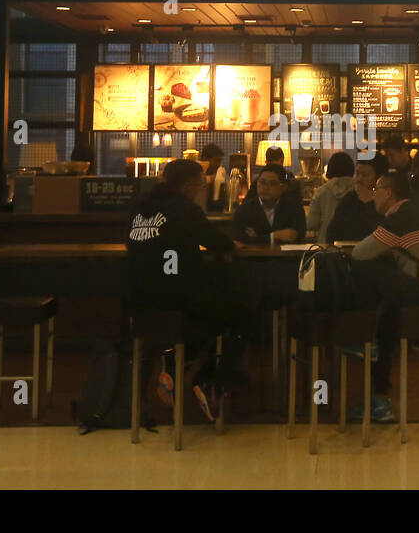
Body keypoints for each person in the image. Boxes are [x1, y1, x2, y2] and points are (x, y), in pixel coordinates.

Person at [125, 159, 243, 420]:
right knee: (238, 315)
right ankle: (206, 380)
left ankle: (172, 367)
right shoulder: (185, 209)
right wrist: (234, 245)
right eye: (200, 182)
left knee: (199, 315)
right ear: (189, 184)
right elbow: (218, 242)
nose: (201, 187)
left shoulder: (138, 207)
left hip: (137, 305)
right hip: (179, 303)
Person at [349, 170, 419, 422]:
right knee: (385, 318)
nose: (374, 195)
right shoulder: (415, 213)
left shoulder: (401, 219)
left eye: (377, 190)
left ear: (388, 193)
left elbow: (360, 252)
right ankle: (378, 394)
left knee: (362, 268)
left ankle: (359, 332)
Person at [232, 165, 306, 246]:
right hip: (253, 258)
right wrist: (274, 236)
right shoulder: (244, 210)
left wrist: (258, 238)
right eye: (262, 182)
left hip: (286, 258)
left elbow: (297, 238)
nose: (265, 187)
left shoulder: (295, 209)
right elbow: (240, 241)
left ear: (283, 187)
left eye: (272, 183)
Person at [326, 153, 387, 242]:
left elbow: (383, 233)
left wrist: (369, 202)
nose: (359, 179)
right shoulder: (350, 198)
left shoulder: (387, 201)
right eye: (357, 174)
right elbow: (332, 232)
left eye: (365, 175)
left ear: (378, 178)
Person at [306, 152, 356, 243]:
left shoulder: (321, 192)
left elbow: (311, 223)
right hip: (353, 244)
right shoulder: (359, 190)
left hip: (325, 245)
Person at [196, 142, 227, 212]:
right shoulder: (196, 176)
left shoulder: (216, 177)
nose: (219, 164)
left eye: (220, 161)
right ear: (205, 159)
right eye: (216, 161)